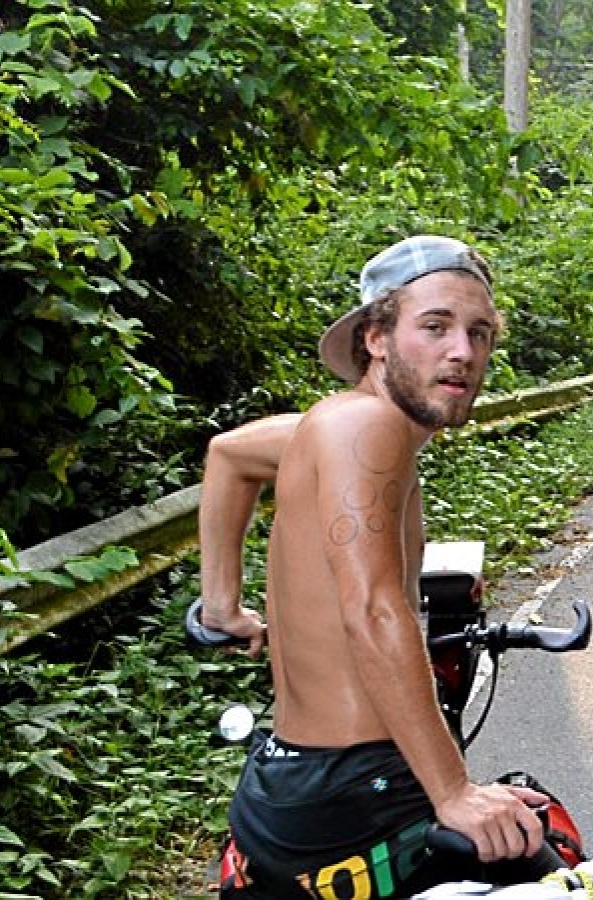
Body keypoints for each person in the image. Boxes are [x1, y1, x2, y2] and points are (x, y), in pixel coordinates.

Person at [195, 235, 547, 899]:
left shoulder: (330, 426)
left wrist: (222, 607)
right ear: (377, 338)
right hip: (363, 789)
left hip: (294, 781)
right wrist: (454, 793)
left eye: (480, 333)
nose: (463, 352)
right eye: (435, 327)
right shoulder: (367, 429)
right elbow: (375, 609)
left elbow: (228, 455)